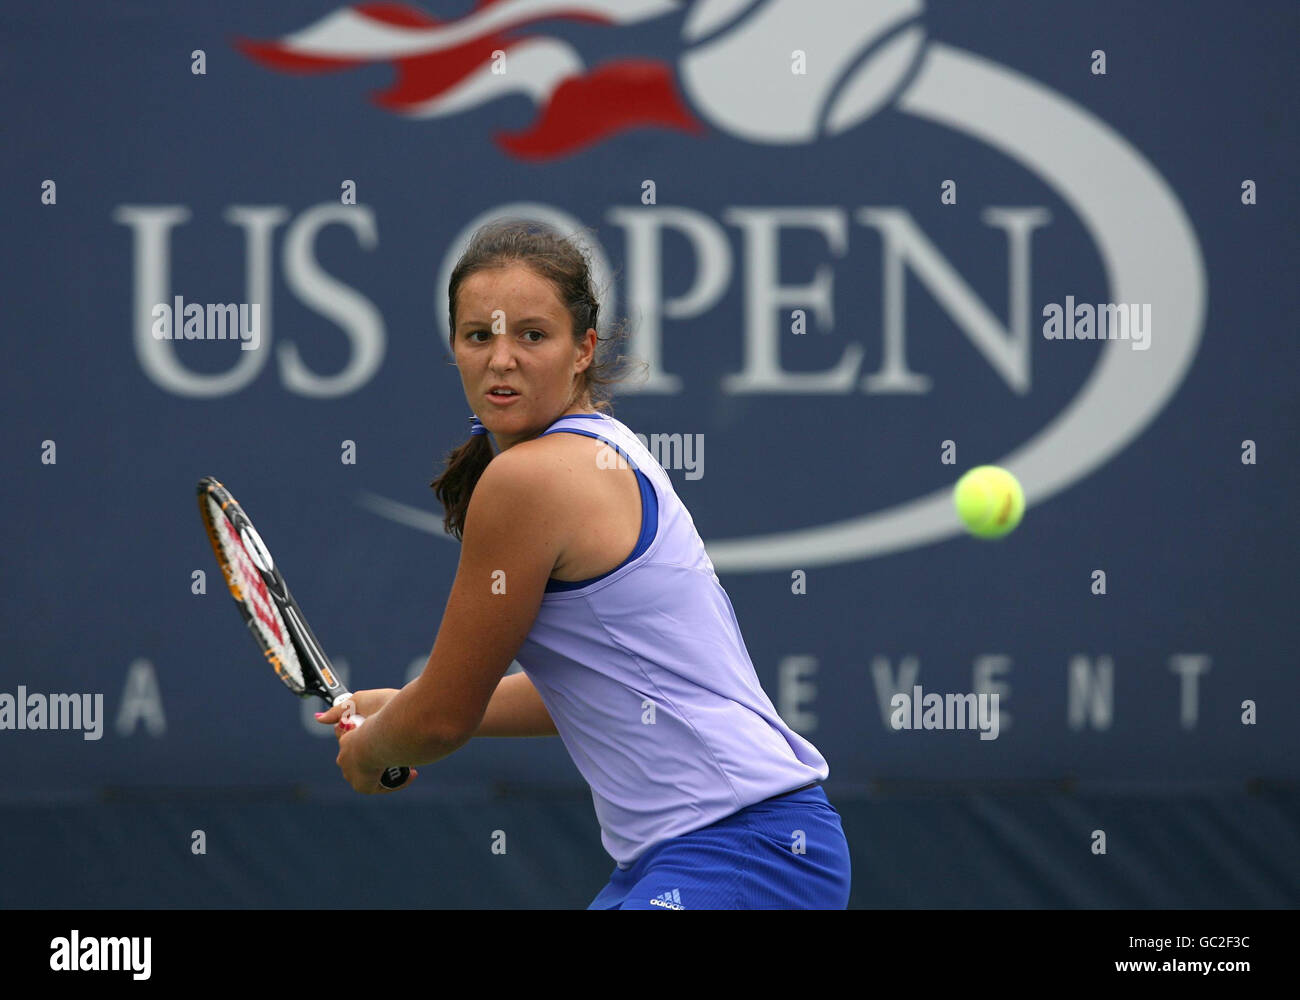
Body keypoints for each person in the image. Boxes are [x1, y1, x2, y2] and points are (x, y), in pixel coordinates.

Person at [318, 219, 852, 909]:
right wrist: (404, 707)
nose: (502, 358)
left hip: (744, 848)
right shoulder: (608, 447)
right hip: (719, 851)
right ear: (454, 347)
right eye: (479, 335)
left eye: (532, 335)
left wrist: (376, 749)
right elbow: (599, 681)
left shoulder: (530, 480)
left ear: (583, 348)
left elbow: (440, 724)